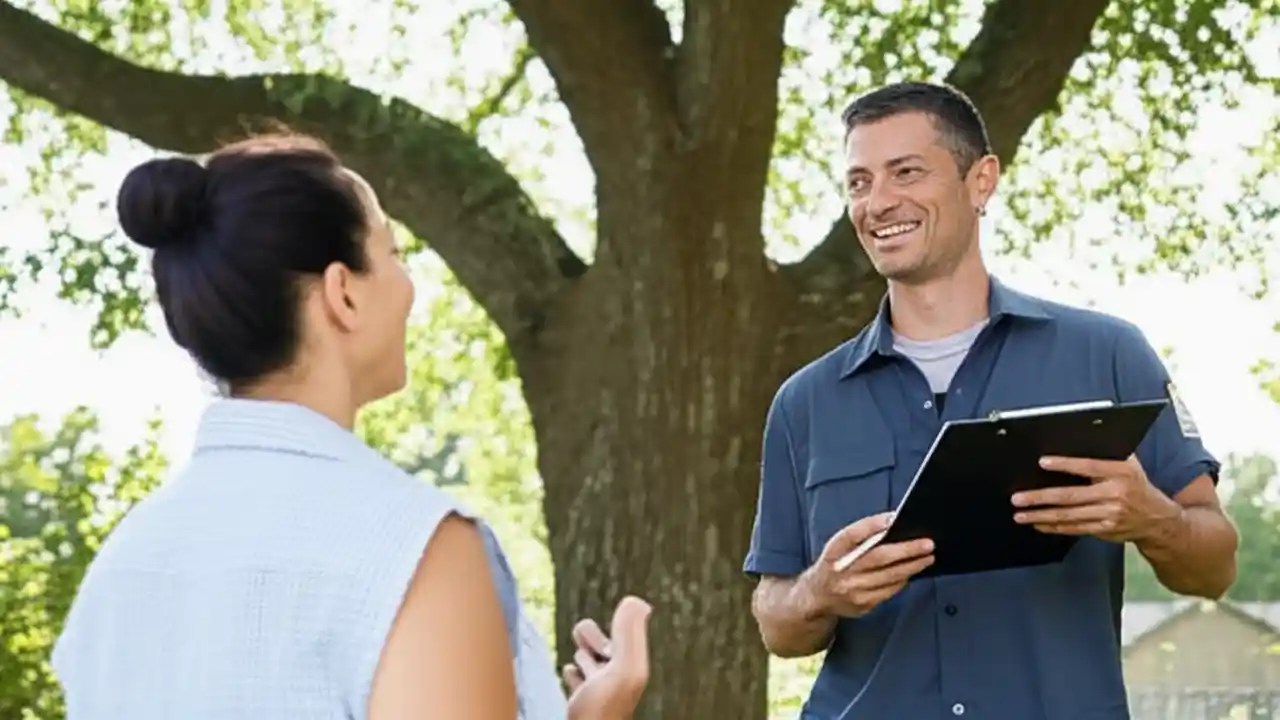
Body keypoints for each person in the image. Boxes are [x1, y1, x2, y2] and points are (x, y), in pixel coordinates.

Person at [51, 133, 651, 720]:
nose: (409, 283)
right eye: (393, 253)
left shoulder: (118, 572)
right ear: (344, 293)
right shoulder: (419, 552)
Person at [744, 81, 1239, 719]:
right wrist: (820, 590)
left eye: (907, 172)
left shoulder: (1107, 355)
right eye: (860, 182)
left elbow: (1215, 567)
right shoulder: (804, 403)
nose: (879, 202)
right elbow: (776, 624)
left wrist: (1154, 521)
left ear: (981, 182)